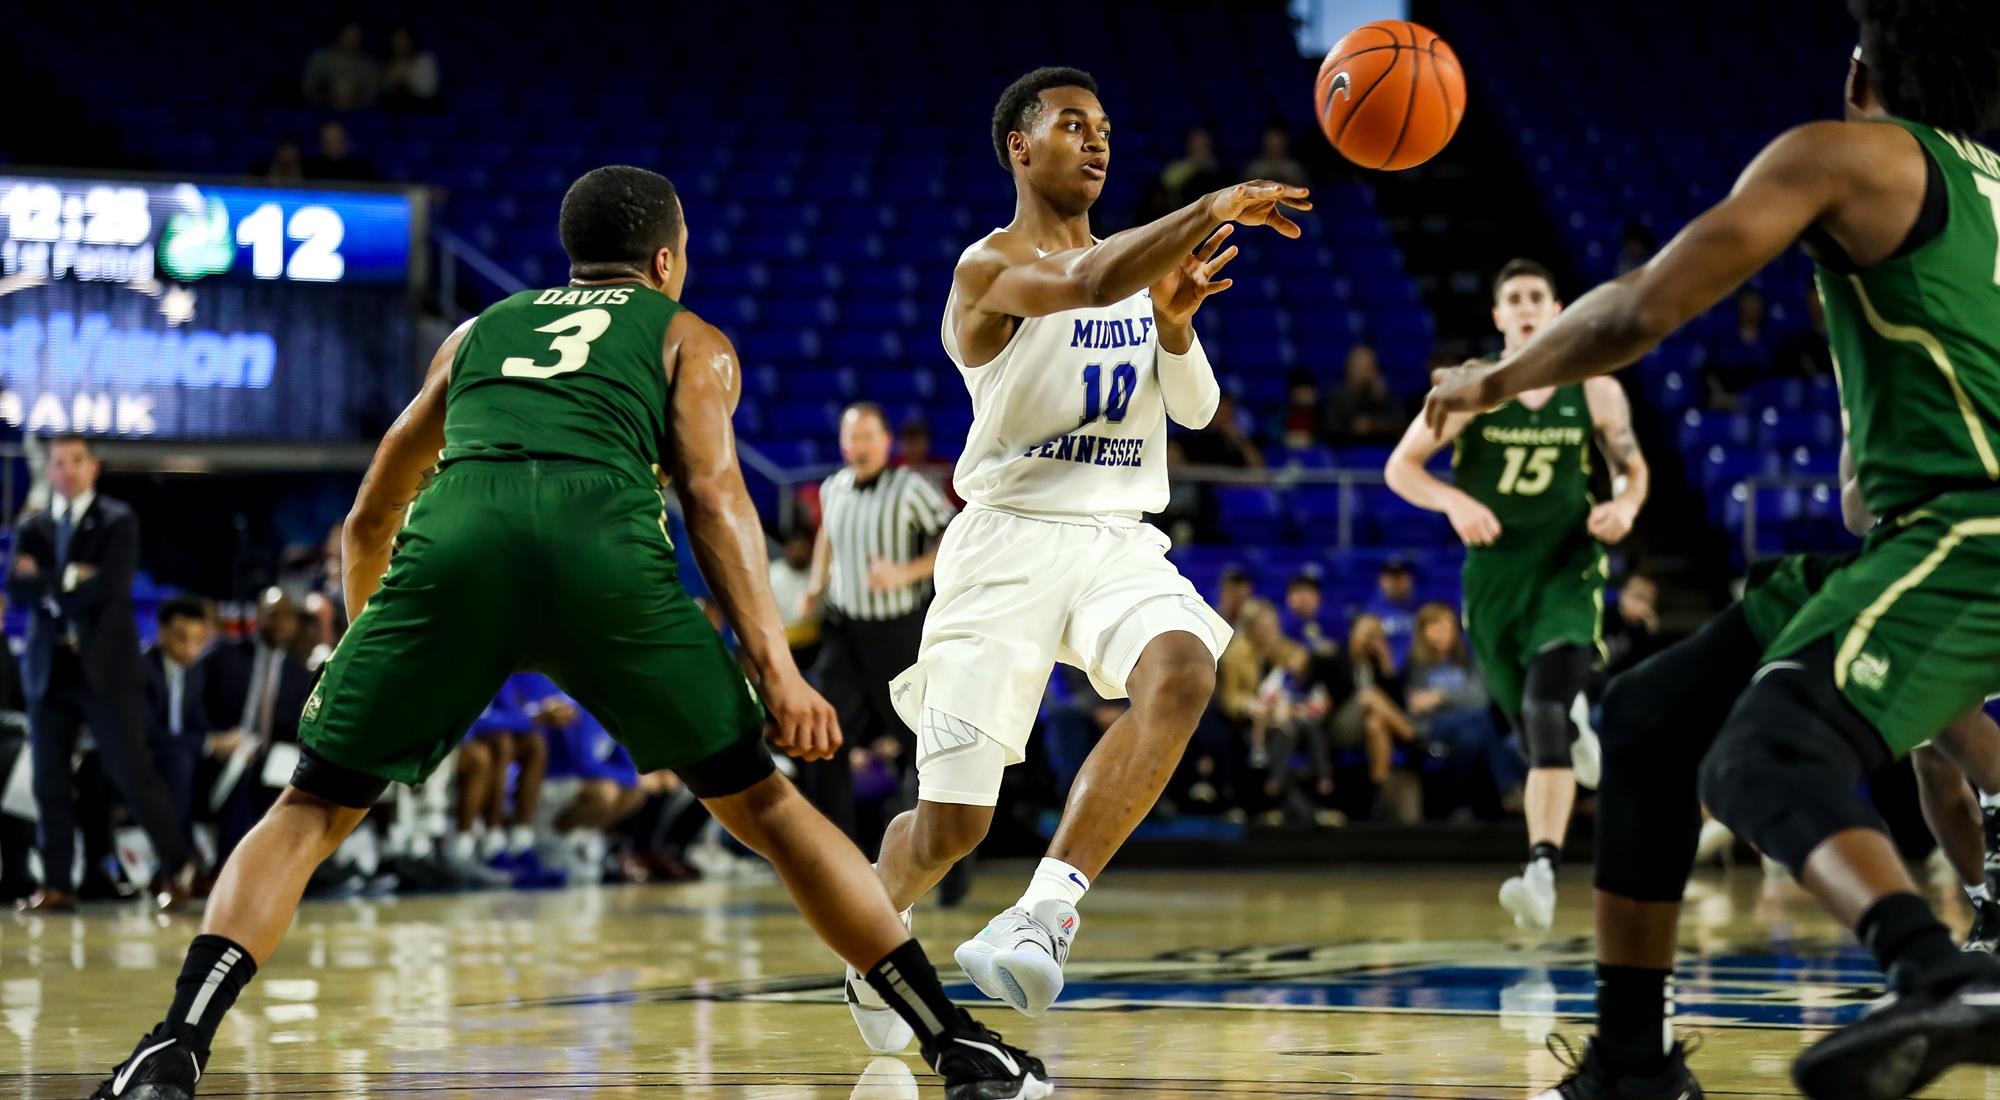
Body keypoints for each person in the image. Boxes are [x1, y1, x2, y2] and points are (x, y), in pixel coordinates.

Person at [92, 165, 1045, 1100]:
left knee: (308, 812)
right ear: (667, 261)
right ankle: (954, 1041)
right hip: (602, 549)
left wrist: (365, 637)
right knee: (769, 812)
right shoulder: (691, 339)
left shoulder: (474, 334)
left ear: (573, 256)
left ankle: (174, 1045)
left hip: (456, 539)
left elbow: (370, 514)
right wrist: (775, 670)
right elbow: (717, 500)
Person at [1426, 11, 2000, 1095]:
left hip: (1966, 533)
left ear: (1858, 72)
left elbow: (1640, 306)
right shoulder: (1985, 193)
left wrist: (1486, 382)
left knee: (1759, 756)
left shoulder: (1844, 154)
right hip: (1929, 534)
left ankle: (1935, 974)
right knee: (1645, 718)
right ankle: (1630, 1066)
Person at [852, 65, 1310, 1049]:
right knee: (950, 827)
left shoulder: (1138, 265)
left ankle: (1042, 911)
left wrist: (1177, 324)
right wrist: (1207, 207)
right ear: (1020, 146)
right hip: (1004, 546)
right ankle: (868, 937)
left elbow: (1195, 410)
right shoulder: (987, 270)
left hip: (1113, 535)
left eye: (1103, 125)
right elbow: (1086, 283)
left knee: (1184, 666)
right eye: (1071, 125)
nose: (1096, 141)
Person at [1388, 258, 1652, 934]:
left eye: (1539, 295)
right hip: (1495, 577)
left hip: (1566, 565)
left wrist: (1625, 505)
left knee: (1540, 709)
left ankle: (1541, 870)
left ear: (1557, 310)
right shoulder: (1471, 388)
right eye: (1515, 298)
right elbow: (1401, 467)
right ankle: (1577, 720)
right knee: (1530, 720)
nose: (1529, 306)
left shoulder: (1595, 390)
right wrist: (1452, 501)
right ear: (1499, 317)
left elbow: (1631, 466)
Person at [12, 435, 195, 914]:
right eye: (58, 463)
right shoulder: (33, 527)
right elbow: (17, 589)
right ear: (48, 471)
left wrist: (49, 583)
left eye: (76, 461)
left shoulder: (118, 521)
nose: (67, 470)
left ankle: (180, 868)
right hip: (49, 669)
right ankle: (56, 884)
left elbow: (110, 588)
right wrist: (71, 578)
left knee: (132, 773)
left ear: (93, 468)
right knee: (48, 781)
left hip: (106, 671)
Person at [801, 402, 956, 839]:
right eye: (853, 437)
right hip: (844, 631)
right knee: (823, 736)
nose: (860, 445)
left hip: (898, 633)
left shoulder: (910, 488)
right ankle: (836, 850)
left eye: (869, 436)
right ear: (842, 443)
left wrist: (904, 573)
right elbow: (826, 538)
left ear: (887, 442)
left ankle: (931, 848)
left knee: (919, 745)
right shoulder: (833, 488)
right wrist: (815, 585)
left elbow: (952, 538)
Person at [201, 588, 315, 869]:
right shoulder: (225, 656)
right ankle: (229, 866)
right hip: (226, 750)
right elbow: (198, 706)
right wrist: (217, 739)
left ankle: (295, 869)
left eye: (287, 616)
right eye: (272, 614)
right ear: (257, 617)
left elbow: (298, 729)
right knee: (243, 774)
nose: (279, 623)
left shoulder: (301, 675)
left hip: (273, 757)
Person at [1405, 602, 1515, 819]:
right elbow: (1416, 705)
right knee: (1482, 721)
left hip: (1467, 725)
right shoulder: (1415, 664)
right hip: (1433, 727)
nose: (1445, 632)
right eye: (1437, 626)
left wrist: (1440, 696)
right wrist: (1458, 696)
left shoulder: (1466, 660)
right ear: (1423, 630)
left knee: (1472, 737)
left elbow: (1480, 698)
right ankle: (1507, 788)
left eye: (1449, 626)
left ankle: (1462, 803)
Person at [145, 598, 214, 847]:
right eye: (181, 638)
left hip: (184, 752)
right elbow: (149, 733)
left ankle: (225, 859)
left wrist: (223, 743)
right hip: (150, 757)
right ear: (161, 632)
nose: (190, 648)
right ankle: (180, 853)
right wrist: (206, 742)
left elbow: (198, 722)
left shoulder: (194, 672)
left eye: (198, 641)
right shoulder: (142, 670)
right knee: (179, 761)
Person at [1702, 288, 1773, 407]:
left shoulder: (1771, 341)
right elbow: (1709, 371)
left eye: (1754, 302)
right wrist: (1719, 393)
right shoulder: (1724, 340)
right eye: (1747, 302)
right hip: (1727, 400)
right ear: (1739, 306)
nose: (1750, 308)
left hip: (1760, 402)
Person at [1323, 344, 1401, 444]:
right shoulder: (1335, 395)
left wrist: (1374, 423)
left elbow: (1399, 424)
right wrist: (1352, 428)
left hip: (1380, 449)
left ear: (1375, 369)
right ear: (1348, 368)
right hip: (1345, 450)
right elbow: (1331, 428)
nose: (1363, 372)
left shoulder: (1385, 394)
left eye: (1367, 367)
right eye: (1358, 366)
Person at [301, 21, 380, 111]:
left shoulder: (369, 65)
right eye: (347, 36)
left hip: (359, 116)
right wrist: (327, 96)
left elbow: (372, 96)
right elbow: (308, 90)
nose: (351, 40)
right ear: (338, 36)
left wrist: (354, 98)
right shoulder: (319, 60)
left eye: (355, 37)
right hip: (322, 113)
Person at [1363, 557, 1419, 670]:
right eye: (1392, 578)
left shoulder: (1422, 609)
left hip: (1418, 673)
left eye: (1401, 577)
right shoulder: (1370, 612)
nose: (1397, 583)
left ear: (1410, 580)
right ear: (1381, 581)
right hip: (1383, 675)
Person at [1160, 126, 1228, 203]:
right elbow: (1168, 184)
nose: (1202, 149)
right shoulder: (1178, 168)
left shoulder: (1218, 171)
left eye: (1206, 145)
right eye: (1198, 144)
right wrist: (1195, 164)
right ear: (1190, 144)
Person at [302, 120, 380, 182]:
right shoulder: (310, 168)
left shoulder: (362, 168)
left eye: (337, 140)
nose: (333, 146)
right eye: (328, 142)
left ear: (346, 140)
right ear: (321, 143)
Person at [381, 28, 439, 109]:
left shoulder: (425, 60)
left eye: (403, 39)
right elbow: (387, 92)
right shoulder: (388, 64)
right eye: (396, 41)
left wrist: (407, 78)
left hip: (423, 109)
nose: (400, 44)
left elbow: (429, 91)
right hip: (396, 110)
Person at [1244, 123, 1311, 188]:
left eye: (1278, 143)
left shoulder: (1295, 169)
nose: (1274, 147)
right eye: (1271, 143)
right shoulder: (1254, 169)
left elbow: (1307, 192)